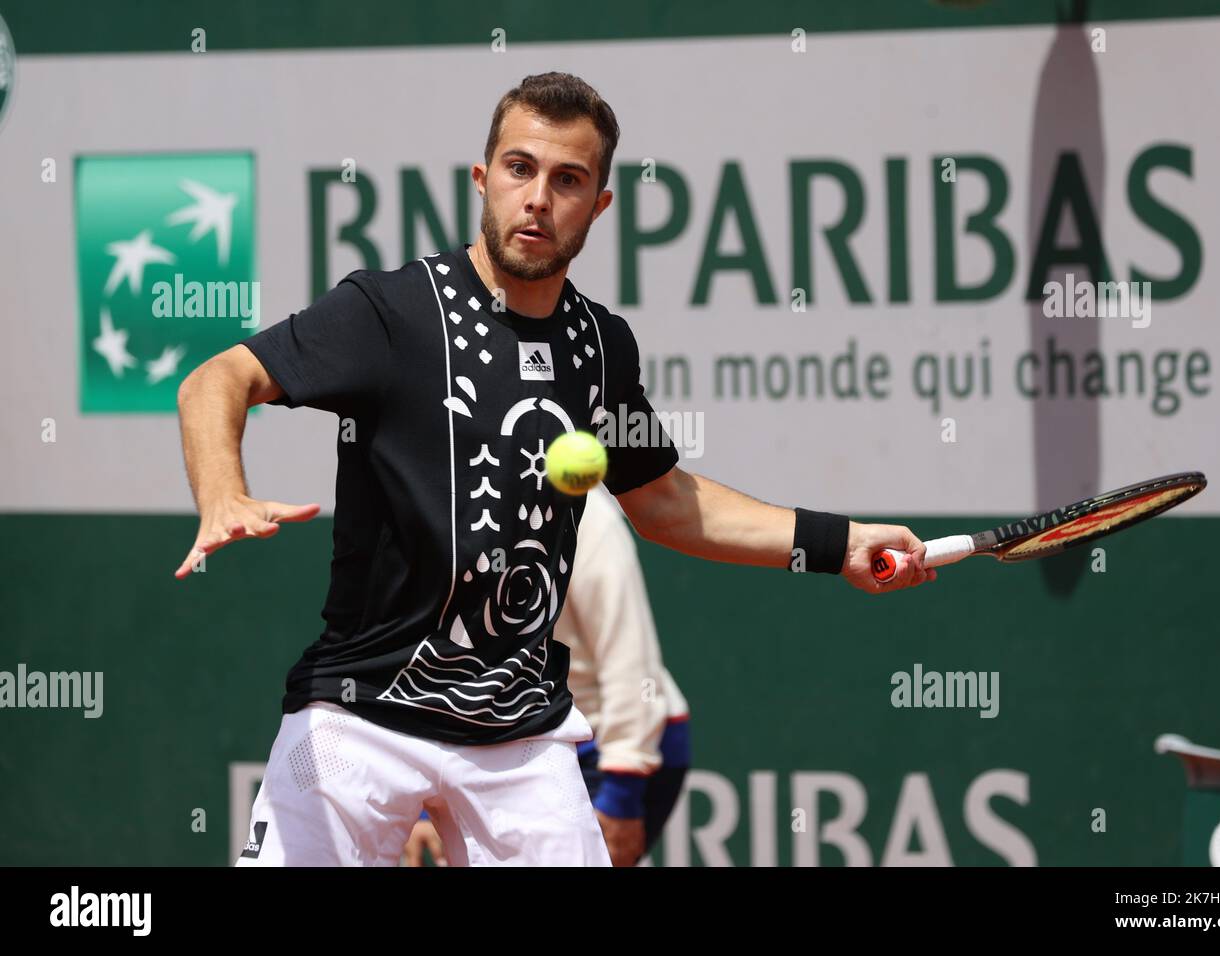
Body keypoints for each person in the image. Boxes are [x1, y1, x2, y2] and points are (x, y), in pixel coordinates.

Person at [176, 72, 935, 867]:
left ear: (599, 205)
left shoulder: (603, 349)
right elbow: (217, 381)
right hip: (360, 711)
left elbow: (667, 500)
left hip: (521, 731)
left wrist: (838, 541)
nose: (537, 198)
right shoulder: (389, 312)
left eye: (567, 179)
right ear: (482, 180)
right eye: (519, 169)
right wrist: (222, 491)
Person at [402, 486, 690, 867]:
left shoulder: (589, 517)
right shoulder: (441, 503)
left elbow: (630, 660)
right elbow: (435, 662)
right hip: (509, 736)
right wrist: (422, 800)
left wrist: (623, 790)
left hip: (613, 745)